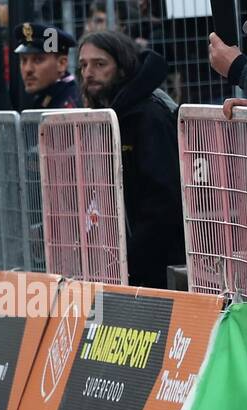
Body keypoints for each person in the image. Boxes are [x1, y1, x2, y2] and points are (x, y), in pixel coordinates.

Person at [77, 30, 183, 289]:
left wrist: (127, 259)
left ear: (123, 68)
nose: (89, 72)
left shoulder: (148, 116)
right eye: (83, 65)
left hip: (155, 269)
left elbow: (164, 200)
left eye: (100, 64)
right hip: (120, 267)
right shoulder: (106, 115)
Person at [13, 20, 81, 108]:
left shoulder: (69, 107)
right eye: (24, 60)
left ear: (61, 64)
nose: (28, 69)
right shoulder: (49, 97)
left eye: (38, 60)